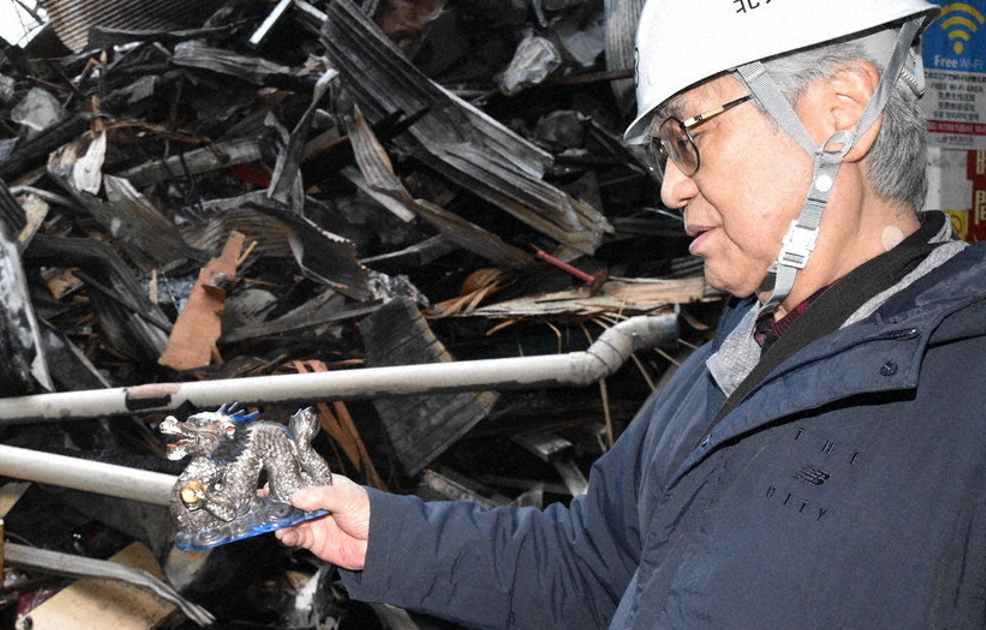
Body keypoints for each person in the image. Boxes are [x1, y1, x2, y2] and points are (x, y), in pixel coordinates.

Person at [277, 0, 986, 627]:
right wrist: (383, 535)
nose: (672, 187)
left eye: (689, 136)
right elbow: (594, 567)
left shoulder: (966, 393)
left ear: (841, 110)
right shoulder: (737, 352)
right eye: (662, 152)